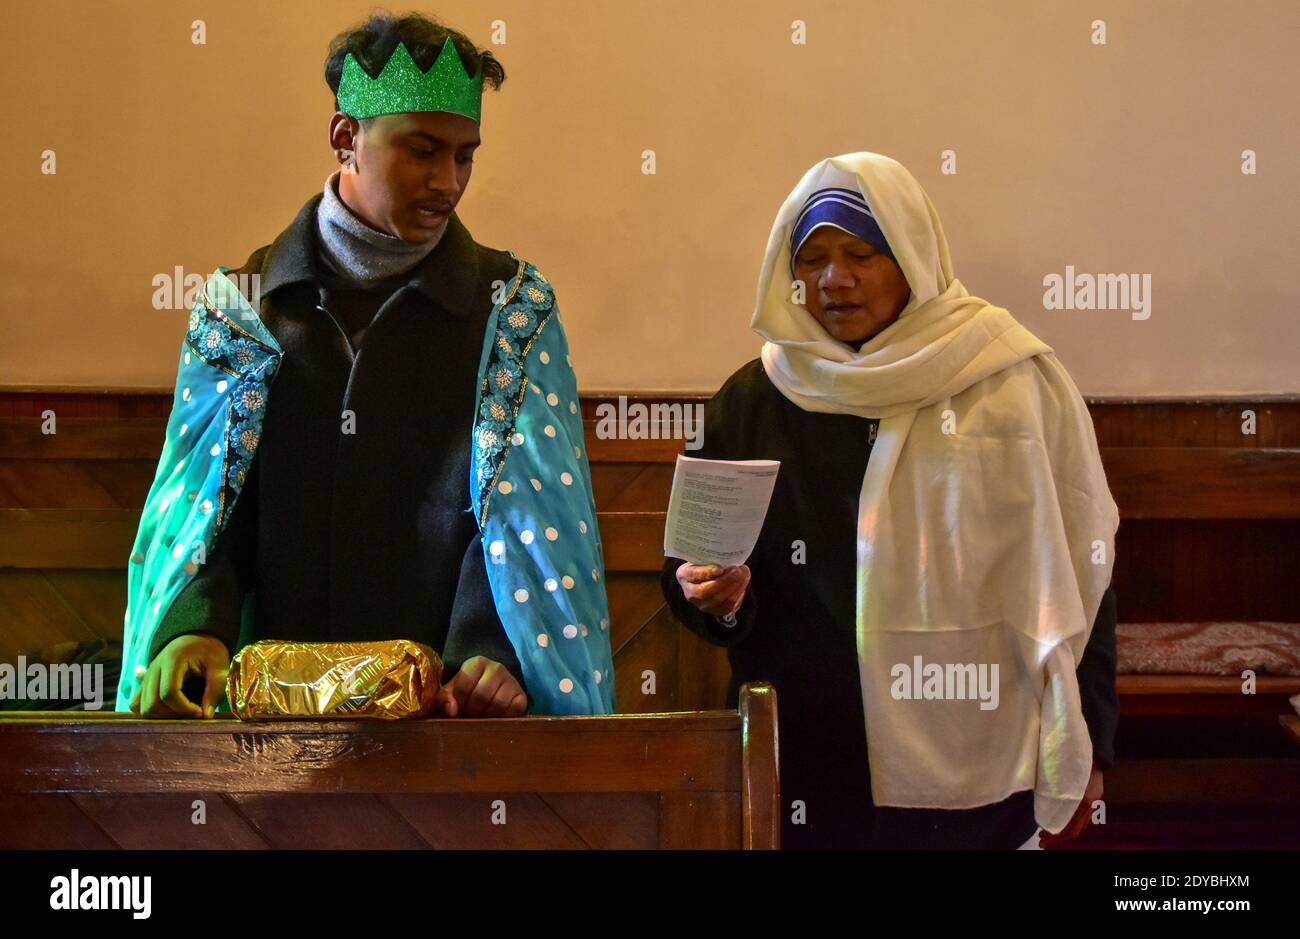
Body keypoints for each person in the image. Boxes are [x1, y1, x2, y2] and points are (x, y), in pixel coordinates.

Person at [118, 12, 614, 720]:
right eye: (422, 150)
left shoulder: (511, 311)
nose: (448, 181)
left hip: (445, 726)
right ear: (346, 138)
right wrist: (193, 622)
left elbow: (524, 524)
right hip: (265, 734)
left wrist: (494, 651)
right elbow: (210, 507)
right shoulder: (243, 308)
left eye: (465, 155)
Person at [662, 152, 1119, 849]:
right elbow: (688, 568)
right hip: (813, 761)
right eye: (811, 258)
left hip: (983, 754)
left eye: (860, 254)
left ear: (912, 257)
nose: (833, 279)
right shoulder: (752, 402)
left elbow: (1086, 571)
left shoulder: (1010, 382)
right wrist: (716, 597)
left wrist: (1091, 740)